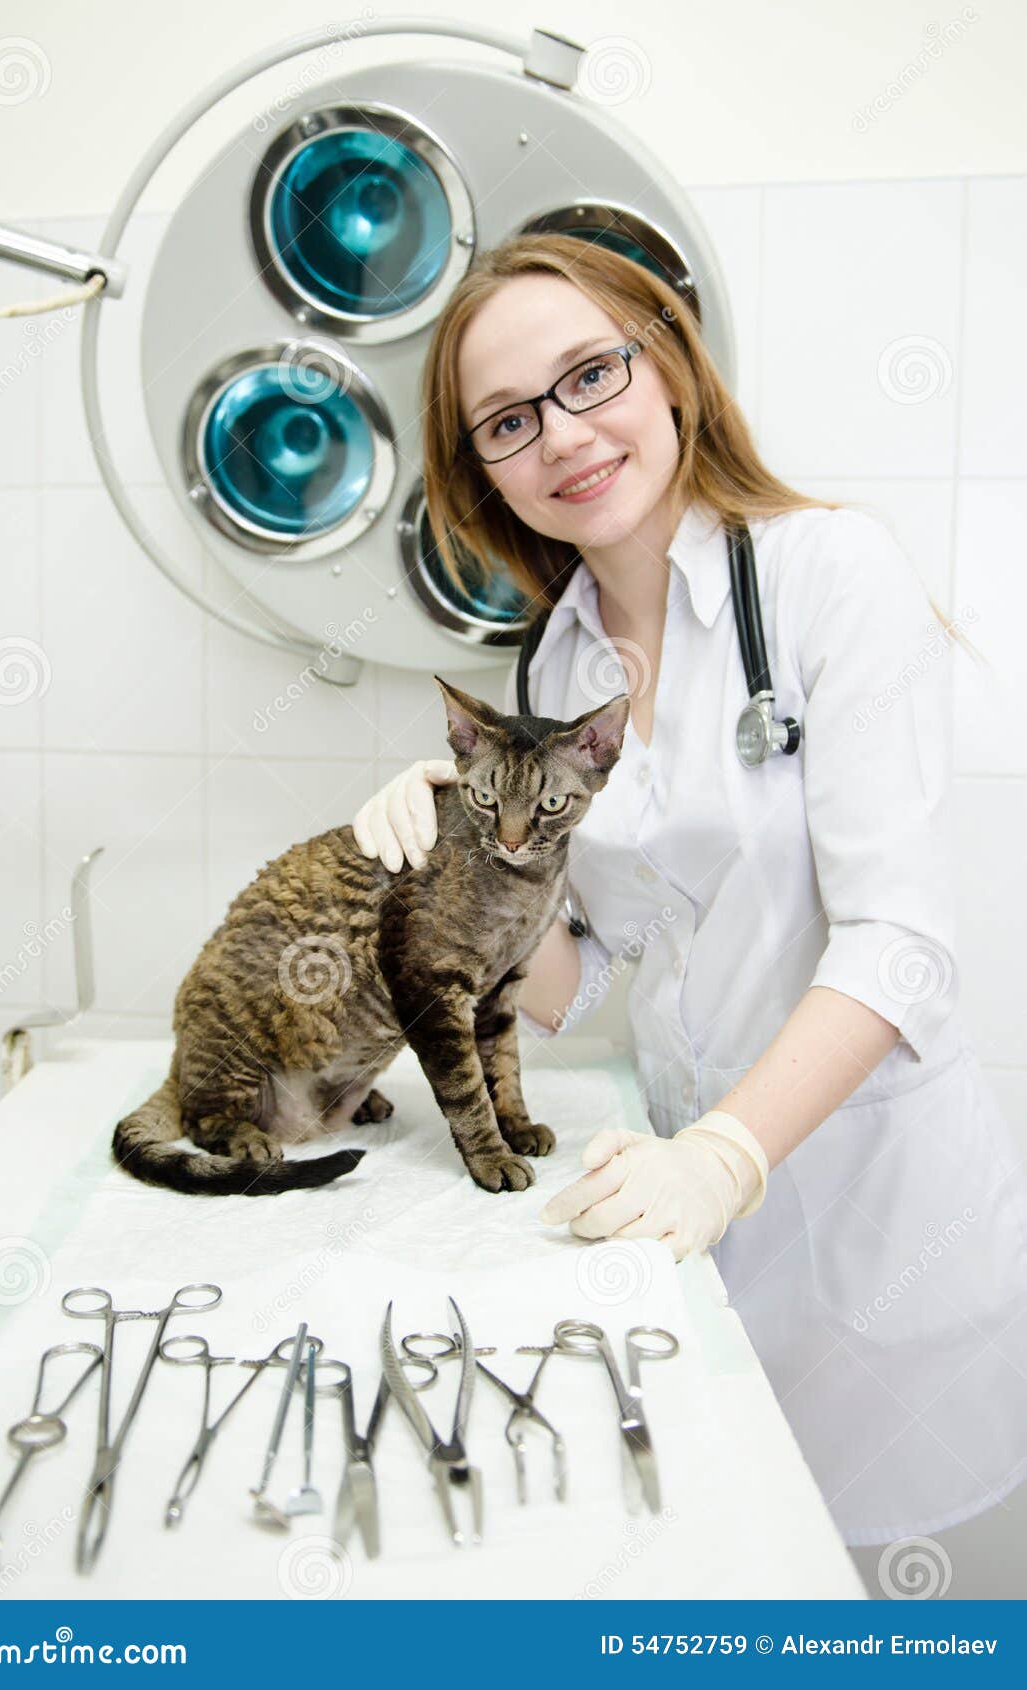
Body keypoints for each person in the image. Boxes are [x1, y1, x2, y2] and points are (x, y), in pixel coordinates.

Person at [352, 233, 1027, 1550]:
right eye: (508, 420)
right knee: (732, 1575)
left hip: (884, 1231)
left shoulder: (831, 573)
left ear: (666, 366)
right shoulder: (556, 671)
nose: (564, 435)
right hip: (684, 1227)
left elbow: (900, 940)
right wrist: (463, 864)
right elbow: (583, 974)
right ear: (484, 470)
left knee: (894, 1597)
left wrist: (731, 1154)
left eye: (589, 375)